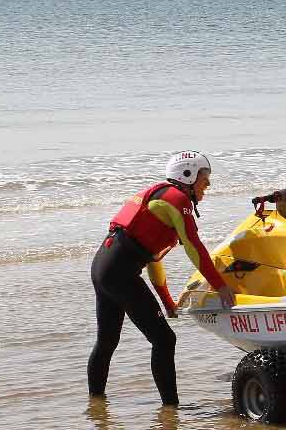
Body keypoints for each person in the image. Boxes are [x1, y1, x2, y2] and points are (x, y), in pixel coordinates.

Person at [88, 151, 235, 405]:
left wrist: (167, 301)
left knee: (107, 340)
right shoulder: (178, 199)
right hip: (119, 272)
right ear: (187, 175)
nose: (208, 185)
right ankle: (171, 408)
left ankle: (96, 404)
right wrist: (221, 286)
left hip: (104, 267)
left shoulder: (163, 197)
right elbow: (194, 247)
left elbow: (153, 261)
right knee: (164, 339)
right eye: (204, 178)